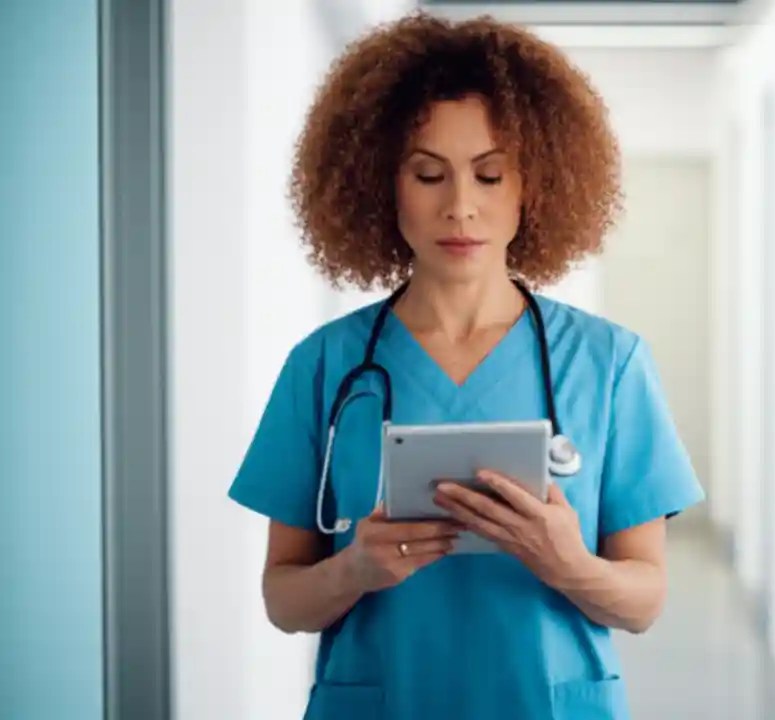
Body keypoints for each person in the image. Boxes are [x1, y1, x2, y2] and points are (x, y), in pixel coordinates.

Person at [227, 12, 704, 720]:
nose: (460, 208)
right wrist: (355, 569)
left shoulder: (610, 365)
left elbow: (644, 602)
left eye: (489, 175)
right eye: (428, 174)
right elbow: (283, 599)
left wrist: (567, 563)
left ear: (532, 187)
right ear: (378, 185)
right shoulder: (325, 367)